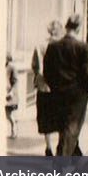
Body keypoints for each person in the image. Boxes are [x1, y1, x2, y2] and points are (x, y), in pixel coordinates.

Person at [43, 14, 88, 156]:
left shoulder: (53, 47)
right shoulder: (84, 48)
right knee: (72, 128)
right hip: (77, 95)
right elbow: (87, 74)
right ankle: (63, 160)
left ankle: (73, 155)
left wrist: (55, 87)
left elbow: (47, 72)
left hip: (58, 92)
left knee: (64, 127)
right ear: (79, 28)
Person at [31, 20, 64, 155]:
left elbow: (34, 65)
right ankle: (60, 146)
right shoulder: (62, 46)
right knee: (61, 118)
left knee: (46, 118)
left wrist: (39, 77)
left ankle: (48, 147)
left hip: (44, 87)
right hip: (59, 88)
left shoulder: (40, 45)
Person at [6, 54, 18, 139]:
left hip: (8, 94)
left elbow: (15, 81)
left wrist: (11, 92)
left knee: (9, 115)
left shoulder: (12, 67)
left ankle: (14, 130)